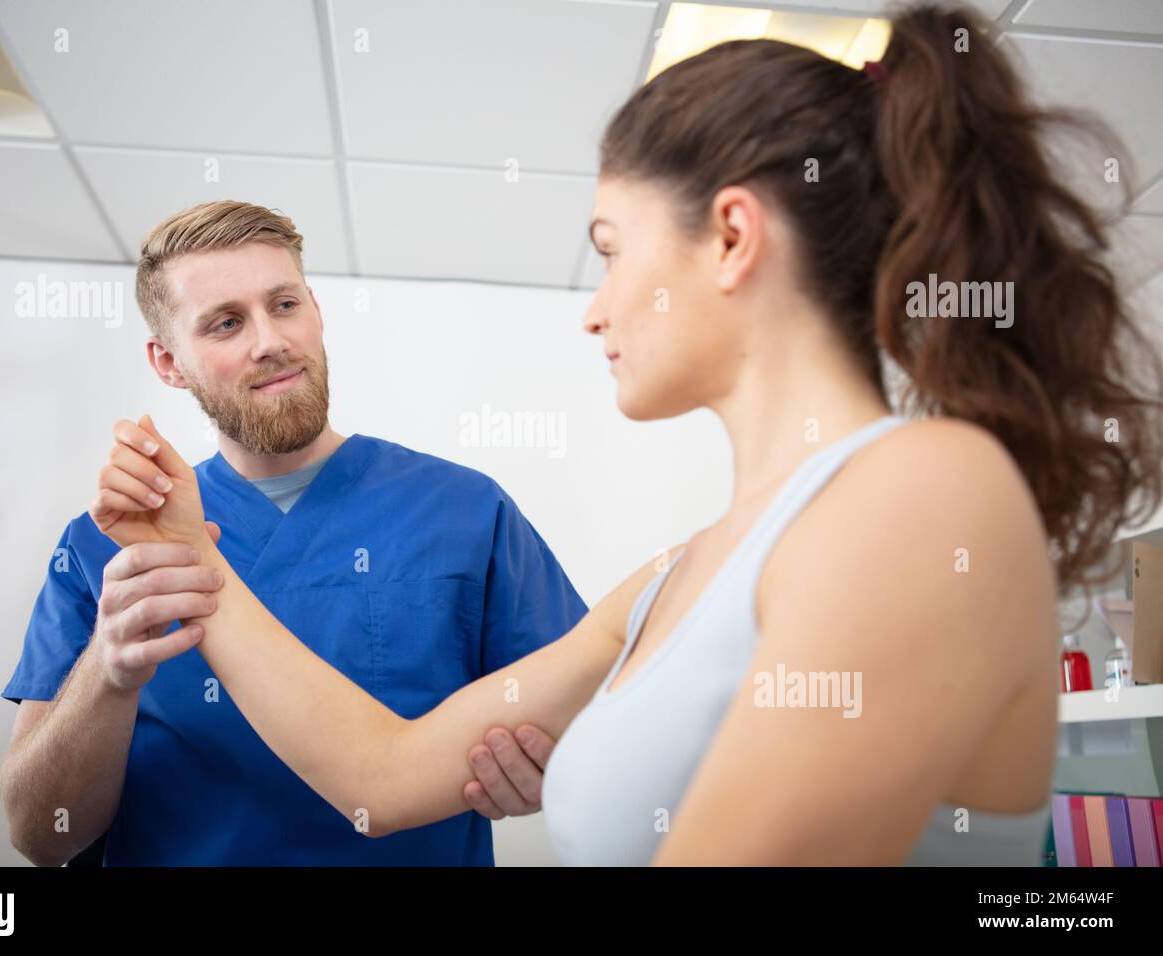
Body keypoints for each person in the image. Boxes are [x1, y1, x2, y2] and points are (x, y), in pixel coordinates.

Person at [88, 2, 1163, 865]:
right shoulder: (667, 579)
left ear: (732, 237)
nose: (593, 307)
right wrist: (188, 554)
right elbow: (382, 777)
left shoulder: (922, 492)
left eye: (610, 250)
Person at [0, 201, 586, 866]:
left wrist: (545, 774)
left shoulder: (466, 513)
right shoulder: (106, 544)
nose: (269, 340)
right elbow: (39, 834)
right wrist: (107, 673)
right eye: (225, 323)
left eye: (284, 304)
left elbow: (582, 738)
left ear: (316, 311)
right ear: (168, 363)